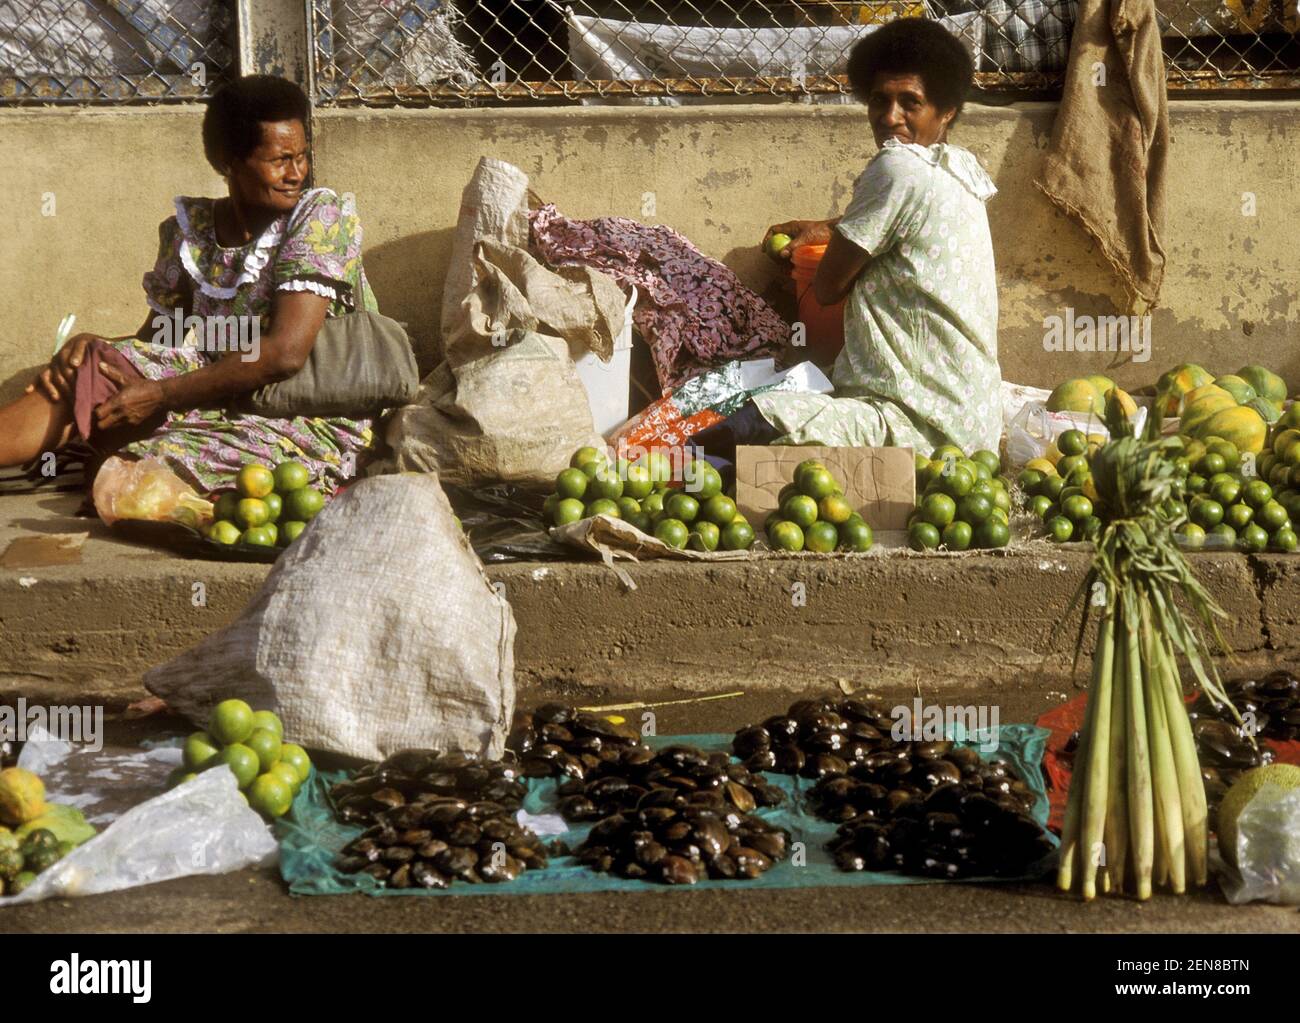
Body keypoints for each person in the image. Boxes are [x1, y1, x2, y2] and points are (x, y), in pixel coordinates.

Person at [0, 75, 378, 496]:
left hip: (304, 409)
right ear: (227, 160)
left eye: (302, 157)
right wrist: (94, 348)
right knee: (94, 365)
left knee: (142, 475)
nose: (297, 174)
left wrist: (160, 395)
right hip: (213, 395)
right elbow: (160, 343)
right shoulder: (191, 232)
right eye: (280, 160)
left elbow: (284, 355)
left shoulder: (318, 218)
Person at [750, 18, 1001, 457]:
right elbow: (900, 219)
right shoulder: (959, 169)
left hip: (916, 428)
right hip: (973, 427)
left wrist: (824, 246)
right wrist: (830, 226)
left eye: (911, 103)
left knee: (738, 420)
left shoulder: (895, 167)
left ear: (946, 112)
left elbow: (827, 288)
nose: (890, 117)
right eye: (879, 101)